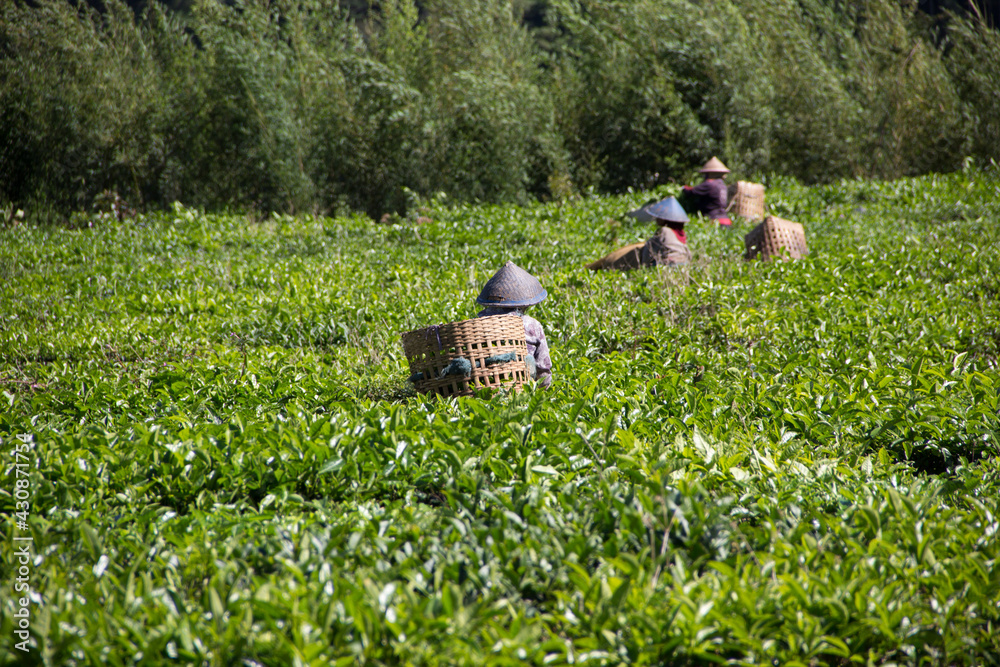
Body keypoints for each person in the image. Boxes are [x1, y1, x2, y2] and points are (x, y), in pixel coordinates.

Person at [476, 261, 553, 388]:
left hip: (482, 388)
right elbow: (543, 369)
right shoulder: (532, 325)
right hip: (520, 388)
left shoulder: (477, 322)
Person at [681, 156, 733, 228]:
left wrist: (683, 188)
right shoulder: (723, 185)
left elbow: (691, 192)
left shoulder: (710, 184)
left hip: (714, 220)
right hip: (726, 220)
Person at [639, 196, 692, 266]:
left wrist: (644, 265)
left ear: (663, 219)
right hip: (683, 263)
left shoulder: (664, 230)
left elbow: (649, 249)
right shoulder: (681, 233)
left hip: (670, 263)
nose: (657, 219)